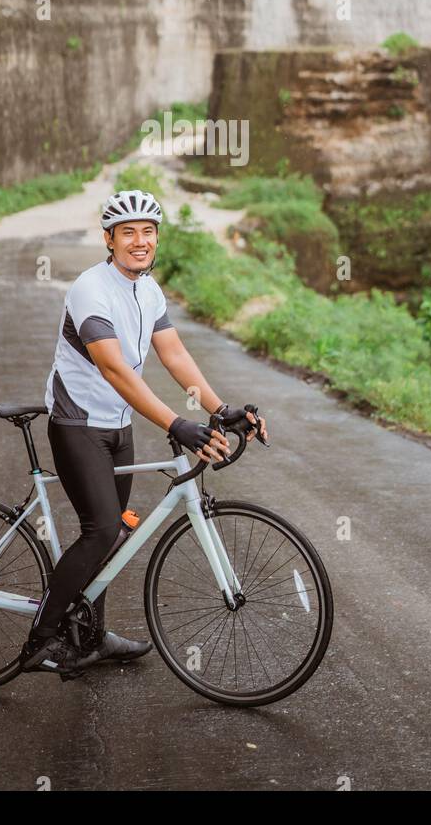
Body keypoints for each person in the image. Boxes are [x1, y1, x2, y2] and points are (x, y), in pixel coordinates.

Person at [19, 187, 267, 676]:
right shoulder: (91, 289)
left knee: (117, 532)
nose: (139, 241)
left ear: (156, 240)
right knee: (101, 530)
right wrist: (177, 423)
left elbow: (174, 355)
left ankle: (90, 638)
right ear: (109, 240)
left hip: (118, 426)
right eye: (128, 233)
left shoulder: (148, 290)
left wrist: (222, 409)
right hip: (78, 424)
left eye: (148, 232)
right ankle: (41, 640)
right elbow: (115, 371)